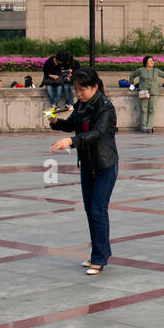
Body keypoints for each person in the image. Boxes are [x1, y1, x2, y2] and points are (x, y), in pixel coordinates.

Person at [49, 69, 119, 275]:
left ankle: (99, 258)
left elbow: (97, 134)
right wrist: (54, 122)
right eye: (76, 90)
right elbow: (71, 124)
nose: (78, 94)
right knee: (90, 210)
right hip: (87, 164)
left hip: (105, 164)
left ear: (95, 86)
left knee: (98, 209)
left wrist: (71, 142)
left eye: (83, 89)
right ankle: (99, 253)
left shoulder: (106, 107)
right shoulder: (81, 105)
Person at [128, 55, 164, 133]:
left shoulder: (156, 70)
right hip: (143, 92)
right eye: (150, 61)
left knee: (152, 110)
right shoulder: (140, 70)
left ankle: (149, 126)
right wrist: (131, 84)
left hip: (154, 92)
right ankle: (143, 126)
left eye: (152, 61)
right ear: (145, 62)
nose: (152, 62)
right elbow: (132, 75)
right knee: (144, 109)